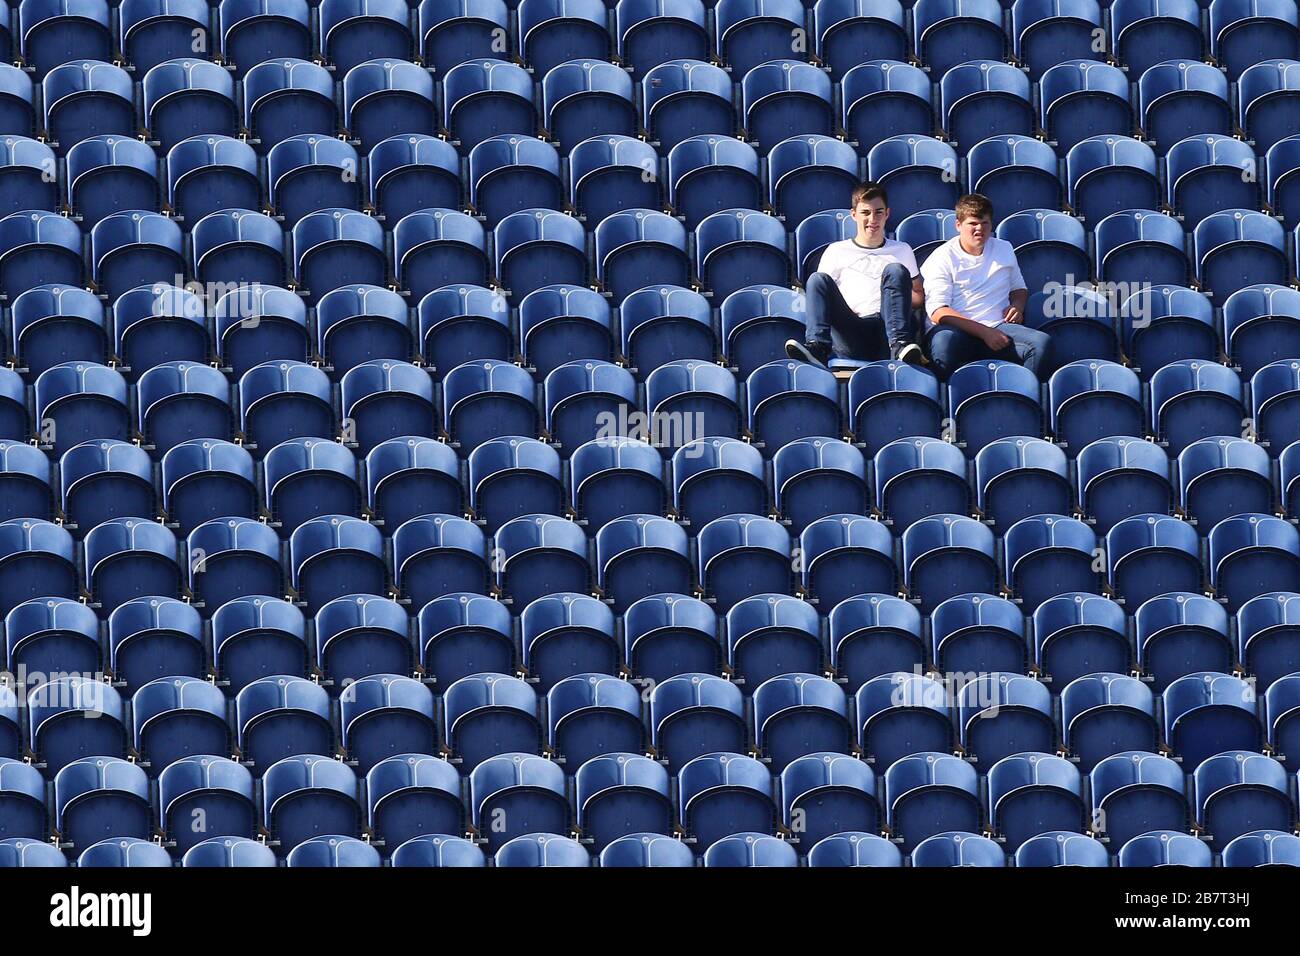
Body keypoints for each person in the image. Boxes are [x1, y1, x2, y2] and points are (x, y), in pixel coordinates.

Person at [785, 181, 926, 369]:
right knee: (817, 279)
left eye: (878, 212)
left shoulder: (902, 250)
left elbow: (918, 296)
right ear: (854, 215)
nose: (872, 219)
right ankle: (817, 347)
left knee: (895, 270)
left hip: (887, 330)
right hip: (851, 331)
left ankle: (900, 347)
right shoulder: (836, 251)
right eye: (865, 213)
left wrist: (893, 296)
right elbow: (823, 296)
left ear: (887, 214)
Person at [919, 193, 1053, 380]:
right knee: (943, 344)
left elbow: (1019, 289)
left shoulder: (1004, 248)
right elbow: (939, 312)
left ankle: (1021, 397)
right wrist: (984, 332)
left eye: (985, 223)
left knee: (1040, 344)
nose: (979, 229)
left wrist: (1017, 307)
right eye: (972, 223)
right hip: (958, 331)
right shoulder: (941, 257)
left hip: (999, 327)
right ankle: (947, 402)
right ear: (958, 225)